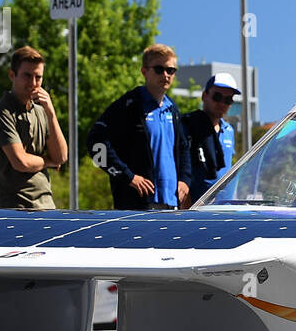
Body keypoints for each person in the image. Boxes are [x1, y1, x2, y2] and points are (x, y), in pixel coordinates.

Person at [87, 44, 193, 210]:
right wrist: (127, 177)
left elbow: (183, 148)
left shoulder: (173, 109)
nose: (165, 75)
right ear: (144, 71)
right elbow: (95, 143)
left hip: (172, 204)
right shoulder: (129, 105)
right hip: (137, 206)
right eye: (159, 69)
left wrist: (185, 181)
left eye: (170, 70)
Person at [0, 46, 67, 209]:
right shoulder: (1, 111)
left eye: (38, 77)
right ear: (12, 75)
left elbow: (61, 157)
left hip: (47, 205)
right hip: (15, 209)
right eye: (27, 76)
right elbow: (21, 162)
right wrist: (48, 161)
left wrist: (51, 113)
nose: (33, 83)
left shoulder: (41, 111)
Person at [183, 72, 240, 201]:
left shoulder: (228, 130)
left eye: (228, 100)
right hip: (196, 206)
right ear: (204, 96)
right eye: (217, 97)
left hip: (224, 205)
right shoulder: (188, 125)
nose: (222, 103)